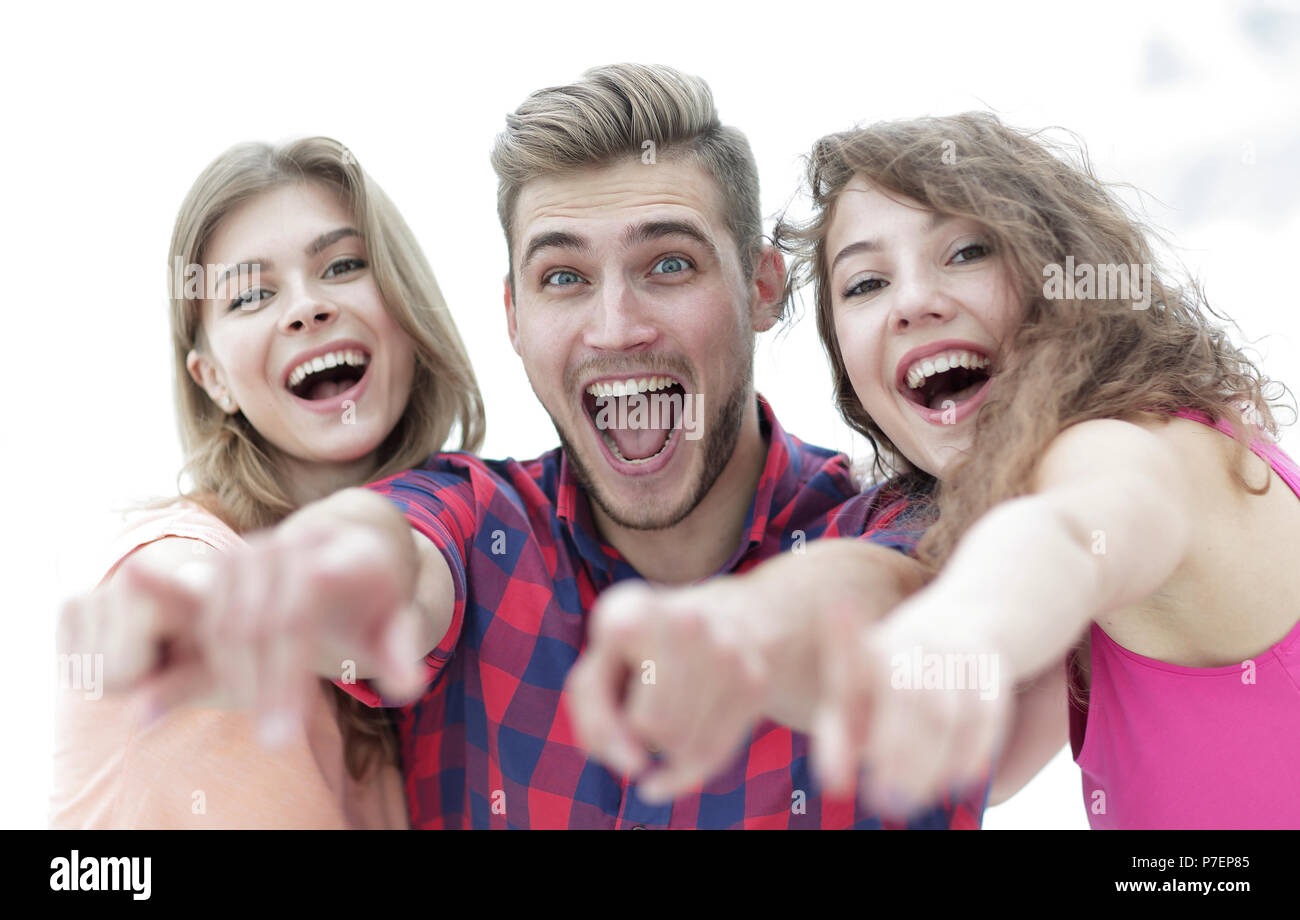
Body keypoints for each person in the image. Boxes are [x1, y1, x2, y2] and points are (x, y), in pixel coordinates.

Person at [73, 65, 990, 829]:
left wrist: (746, 631)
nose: (616, 324)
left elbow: (890, 597)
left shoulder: (896, 526)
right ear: (513, 316)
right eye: (563, 277)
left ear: (761, 284)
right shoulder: (473, 521)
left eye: (668, 263)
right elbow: (386, 554)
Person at [575, 112, 1300, 830]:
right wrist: (745, 623)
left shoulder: (1145, 448)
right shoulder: (1033, 558)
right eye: (865, 284)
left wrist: (957, 630)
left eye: (967, 252)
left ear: (1063, 275)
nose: (914, 303)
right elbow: (902, 602)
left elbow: (1071, 534)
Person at [52, 136, 486, 828]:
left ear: (405, 309)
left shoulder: (455, 537)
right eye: (251, 295)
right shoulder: (182, 562)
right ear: (213, 379)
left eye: (343, 265)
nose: (307, 308)